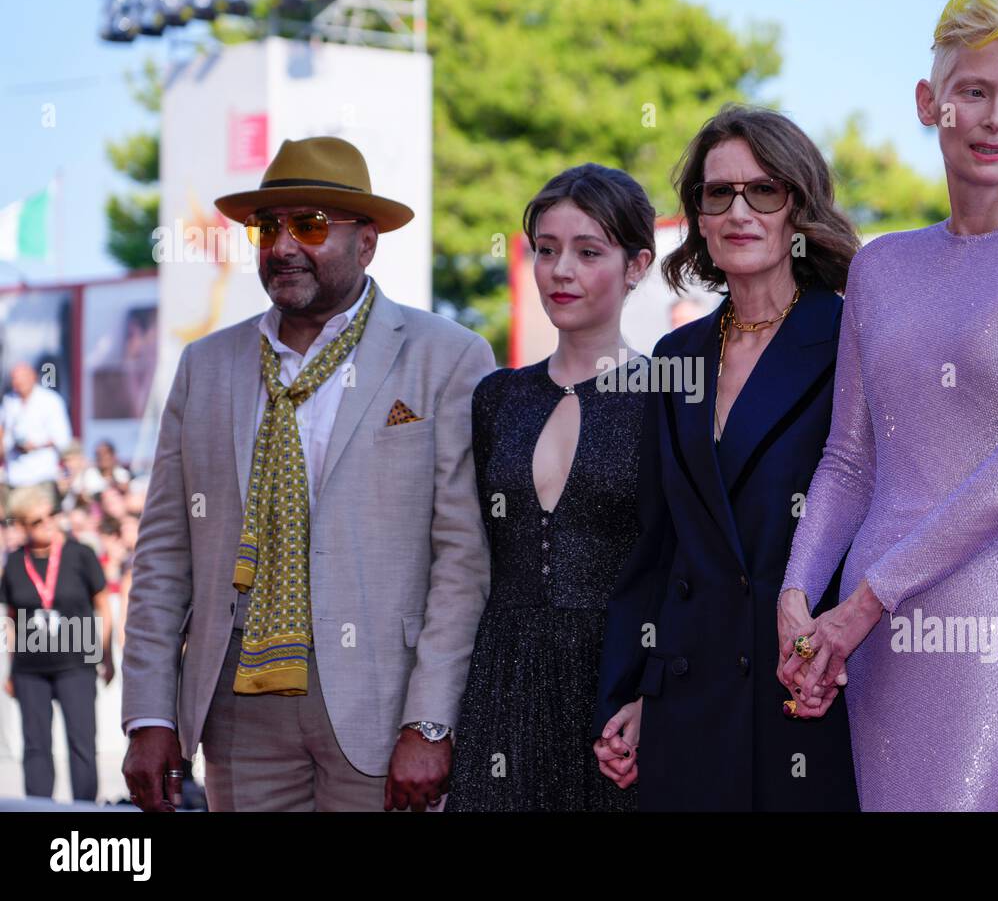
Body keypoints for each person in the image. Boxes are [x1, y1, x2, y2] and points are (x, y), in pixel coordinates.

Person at [777, 0, 998, 811]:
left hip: (996, 609)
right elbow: (849, 462)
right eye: (973, 90)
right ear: (930, 104)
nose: (995, 118)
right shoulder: (881, 267)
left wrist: (859, 605)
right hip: (870, 620)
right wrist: (795, 598)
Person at [120, 136, 496, 812]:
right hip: (237, 706)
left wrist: (431, 720)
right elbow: (164, 553)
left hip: (384, 703)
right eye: (270, 227)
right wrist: (150, 714)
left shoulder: (448, 358)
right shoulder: (207, 366)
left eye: (312, 224)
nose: (284, 245)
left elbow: (463, 560)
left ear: (367, 242)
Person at [593, 104, 861, 811]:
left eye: (762, 191)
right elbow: (657, 549)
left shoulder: (853, 336)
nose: (740, 210)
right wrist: (634, 691)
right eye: (719, 194)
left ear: (797, 208)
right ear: (700, 219)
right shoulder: (674, 356)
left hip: (807, 691)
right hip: (689, 699)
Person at [445, 165, 654, 812]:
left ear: (636, 264)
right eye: (545, 249)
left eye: (588, 251)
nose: (560, 270)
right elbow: (466, 555)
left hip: (616, 691)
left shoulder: (667, 397)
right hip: (501, 684)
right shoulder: (497, 398)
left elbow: (682, 565)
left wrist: (651, 694)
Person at [1, 485, 113, 802]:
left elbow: (103, 605)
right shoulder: (12, 563)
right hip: (29, 669)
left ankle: (85, 813)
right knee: (35, 746)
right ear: (22, 525)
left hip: (76, 663)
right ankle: (37, 808)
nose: (48, 522)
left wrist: (104, 655)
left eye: (52, 514)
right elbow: (11, 618)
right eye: (37, 520)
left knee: (82, 745)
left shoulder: (81, 554)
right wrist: (10, 669)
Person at [1, 363, 73, 509]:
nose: (18, 384)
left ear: (33, 377)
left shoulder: (50, 401)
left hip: (42, 476)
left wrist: (36, 445)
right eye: (15, 380)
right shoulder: (9, 402)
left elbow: (63, 438)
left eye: (21, 379)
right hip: (15, 477)